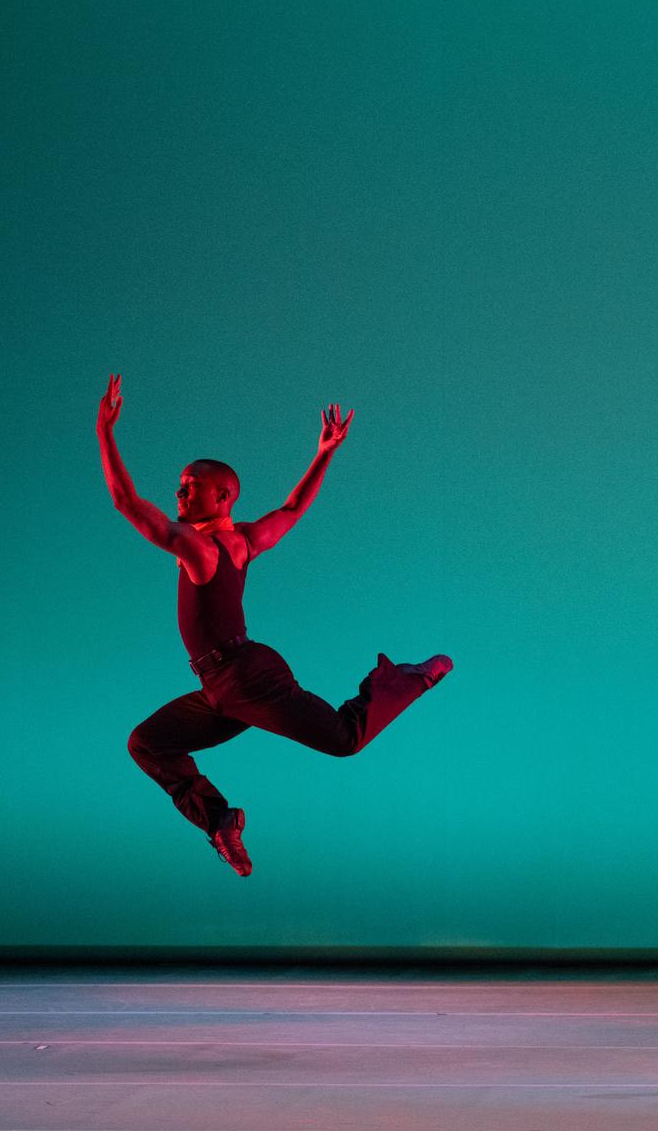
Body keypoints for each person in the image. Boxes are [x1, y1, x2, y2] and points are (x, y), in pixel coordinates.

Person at [98, 375, 451, 876]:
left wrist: (105, 434)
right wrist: (324, 452)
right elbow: (292, 508)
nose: (177, 491)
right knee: (148, 742)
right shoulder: (244, 542)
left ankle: (407, 679)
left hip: (244, 679)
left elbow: (128, 504)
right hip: (221, 687)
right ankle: (221, 822)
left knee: (343, 740)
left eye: (190, 486)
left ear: (223, 497)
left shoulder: (200, 548)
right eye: (179, 484)